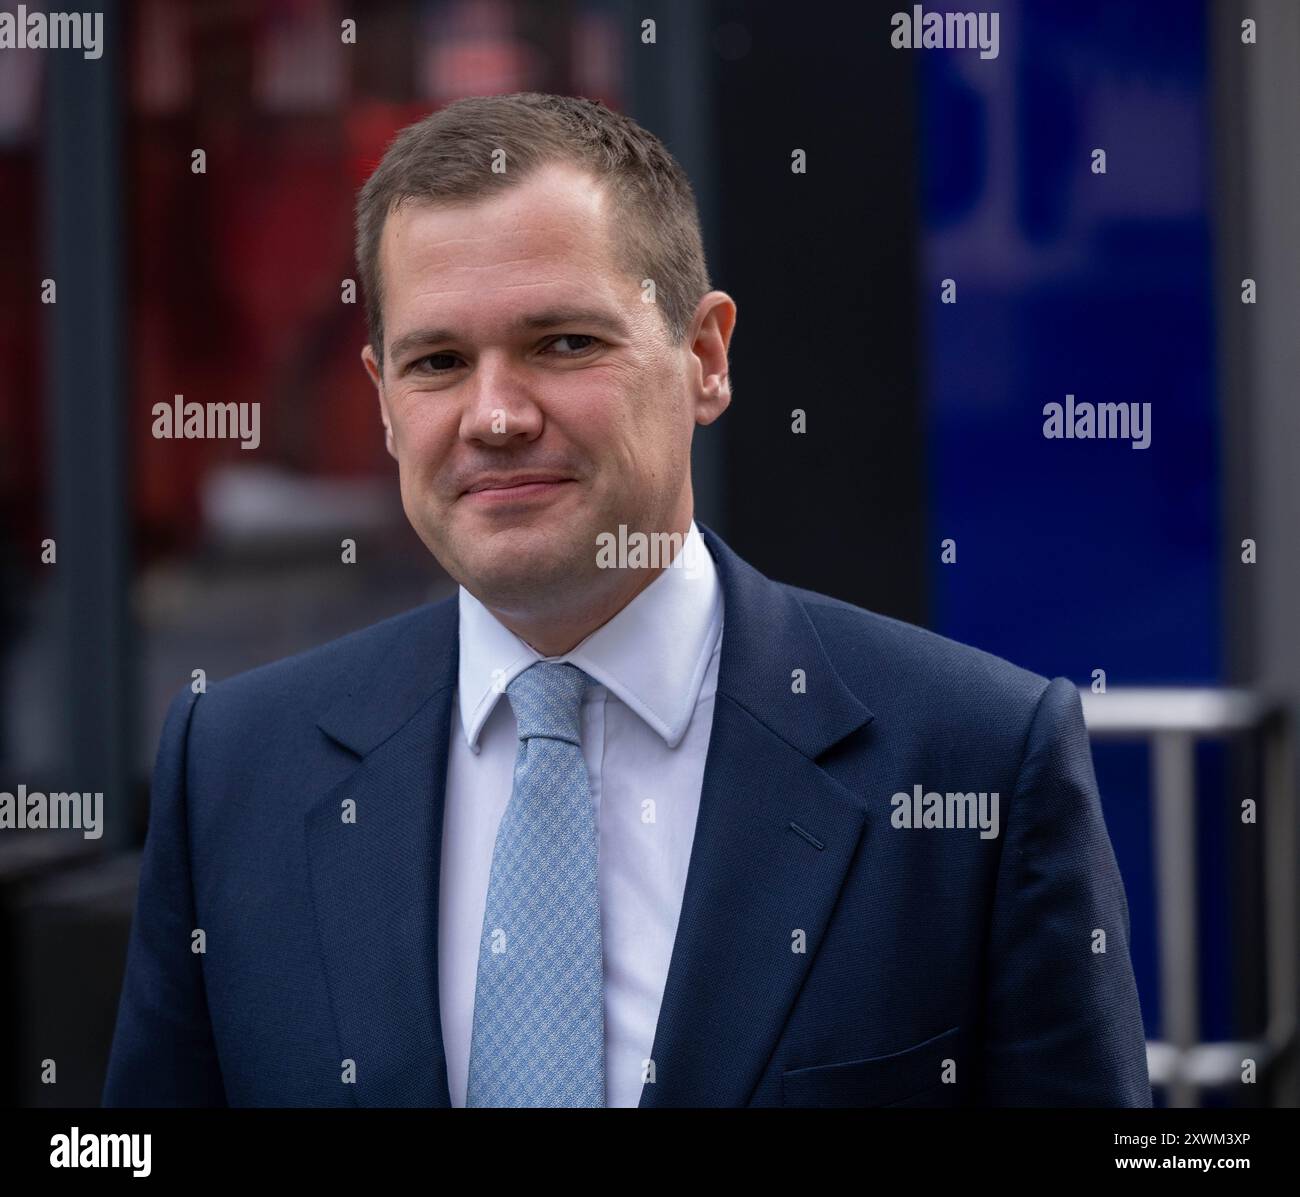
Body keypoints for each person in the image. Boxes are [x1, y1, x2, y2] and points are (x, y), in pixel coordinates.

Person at [103, 92, 1150, 1108]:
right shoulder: (236, 766)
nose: (497, 416)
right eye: (439, 361)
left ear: (703, 357)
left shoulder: (973, 757)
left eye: (564, 343)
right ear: (381, 400)